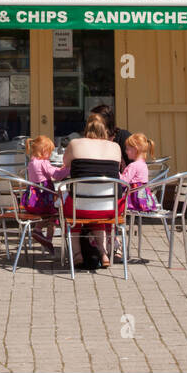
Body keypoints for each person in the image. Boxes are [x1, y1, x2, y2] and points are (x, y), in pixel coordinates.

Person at [60, 115, 124, 268]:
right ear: (105, 132)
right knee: (96, 206)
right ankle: (103, 253)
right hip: (110, 209)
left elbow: (65, 163)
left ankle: (77, 254)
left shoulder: (75, 143)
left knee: (71, 206)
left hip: (79, 209)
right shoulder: (115, 147)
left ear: (86, 131)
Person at [121, 133, 158, 212]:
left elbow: (123, 183)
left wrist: (116, 173)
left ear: (135, 149)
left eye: (127, 149)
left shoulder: (133, 165)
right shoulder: (143, 164)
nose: (126, 152)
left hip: (133, 200)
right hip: (143, 199)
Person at [89, 103, 130, 171]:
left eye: (93, 120)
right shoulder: (90, 140)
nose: (89, 124)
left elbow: (134, 163)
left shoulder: (123, 136)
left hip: (121, 179)